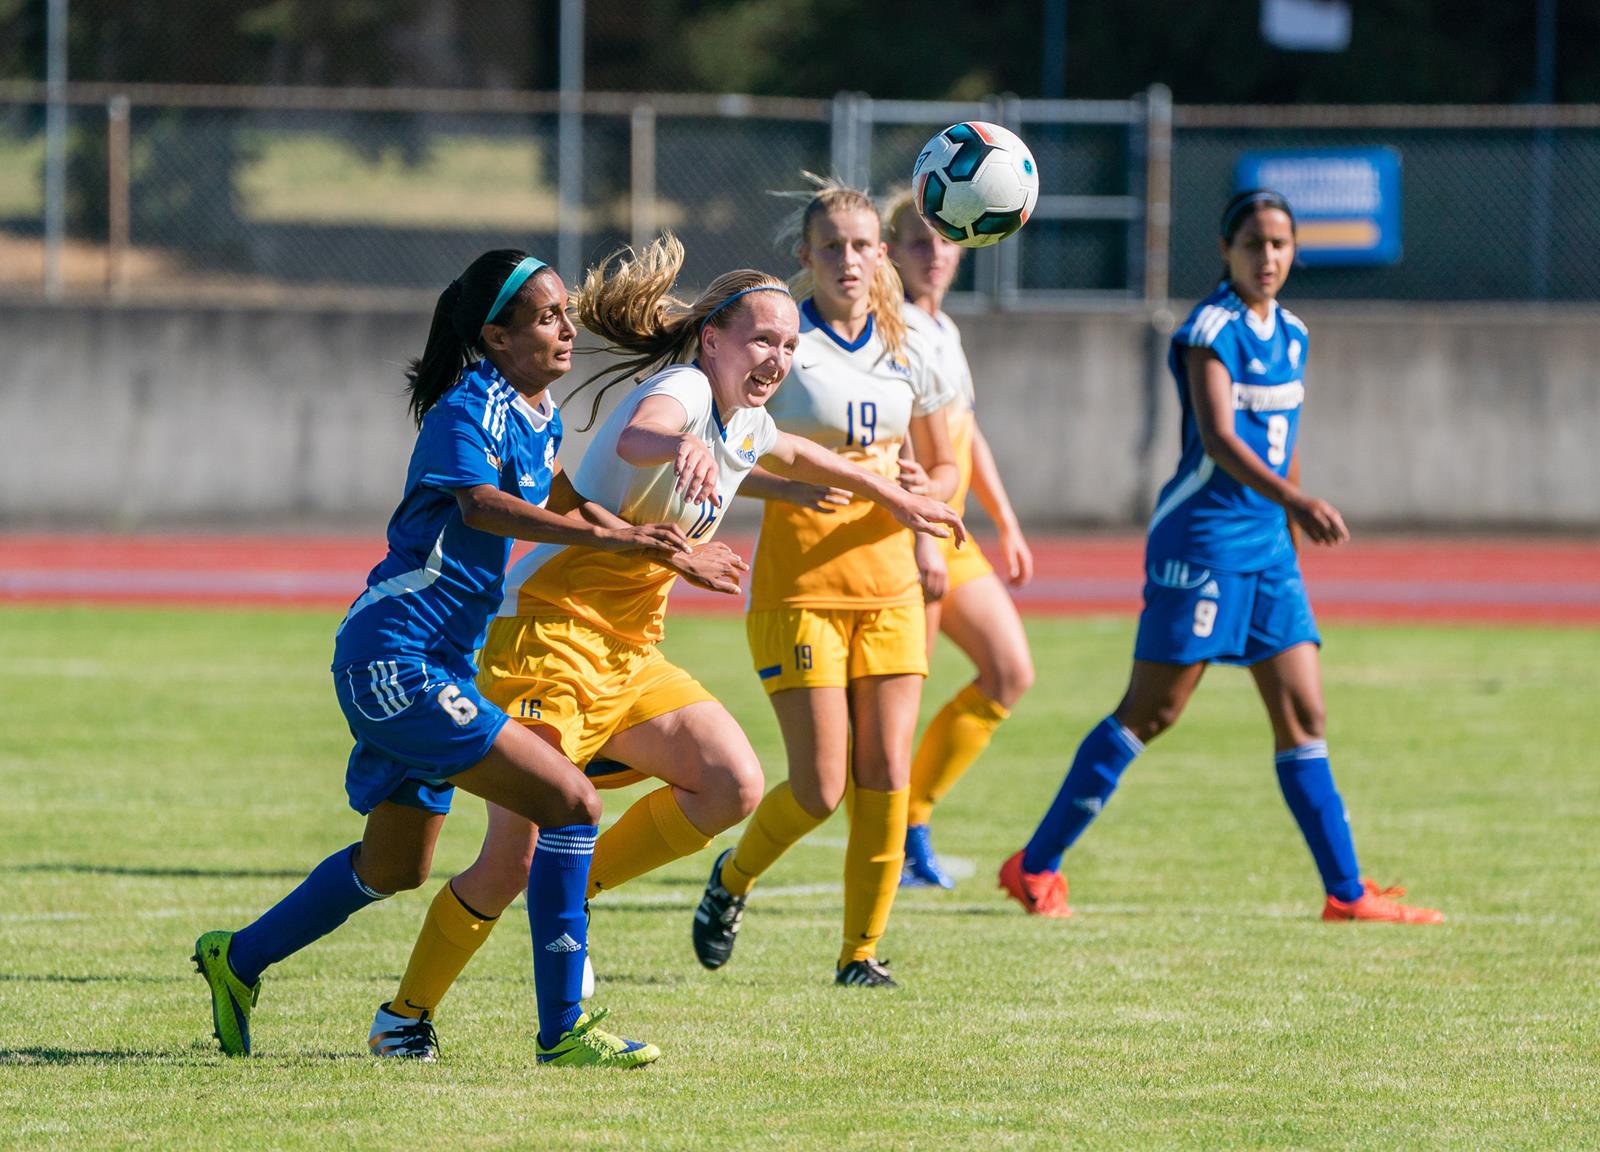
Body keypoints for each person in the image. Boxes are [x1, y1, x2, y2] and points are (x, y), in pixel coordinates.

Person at [367, 234, 967, 1055]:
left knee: (732, 782)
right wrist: (678, 443)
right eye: (761, 339)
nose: (777, 357)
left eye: (790, 345)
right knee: (508, 861)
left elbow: (788, 451)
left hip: (630, 650)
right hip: (549, 633)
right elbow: (639, 436)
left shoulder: (745, 415)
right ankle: (404, 1017)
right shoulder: (682, 388)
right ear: (712, 339)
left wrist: (890, 496)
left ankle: (575, 901)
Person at [193, 250, 689, 1069]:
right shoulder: (471, 405)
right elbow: (484, 505)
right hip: (397, 657)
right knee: (569, 802)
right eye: (544, 317)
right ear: (495, 336)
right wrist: (615, 535)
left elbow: (555, 491)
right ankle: (565, 1030)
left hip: (437, 666)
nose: (566, 327)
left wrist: (651, 544)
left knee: (395, 866)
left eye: (564, 312)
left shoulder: (537, 409)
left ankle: (236, 959)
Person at [997, 190, 1443, 924]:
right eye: (1253, 244)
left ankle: (1348, 893)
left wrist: (1289, 537)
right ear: (1225, 250)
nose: (1267, 258)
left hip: (1268, 551)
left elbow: (1285, 447)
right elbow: (1220, 437)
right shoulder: (1211, 328)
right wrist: (1299, 503)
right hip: (1200, 541)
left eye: (1279, 245)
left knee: (1305, 712)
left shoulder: (1294, 333)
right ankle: (1035, 866)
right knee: (1153, 711)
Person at [692, 178, 965, 989]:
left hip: (890, 586)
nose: (848, 259)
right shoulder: (780, 343)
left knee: (887, 771)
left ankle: (860, 954)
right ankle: (730, 881)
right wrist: (792, 489)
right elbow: (723, 457)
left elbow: (946, 463)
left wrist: (929, 495)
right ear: (804, 258)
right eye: (831, 246)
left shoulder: (910, 342)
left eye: (862, 244)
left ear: (883, 254)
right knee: (818, 788)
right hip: (801, 584)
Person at [881, 190, 1036, 889]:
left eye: (944, 240)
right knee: (897, 707)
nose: (935, 253)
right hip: (913, 536)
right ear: (888, 252)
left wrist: (1005, 520)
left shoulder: (944, 330)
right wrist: (917, 542)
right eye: (918, 241)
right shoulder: (894, 332)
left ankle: (913, 813)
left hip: (953, 532)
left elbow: (965, 437)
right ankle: (896, 841)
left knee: (1009, 672)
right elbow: (894, 455)